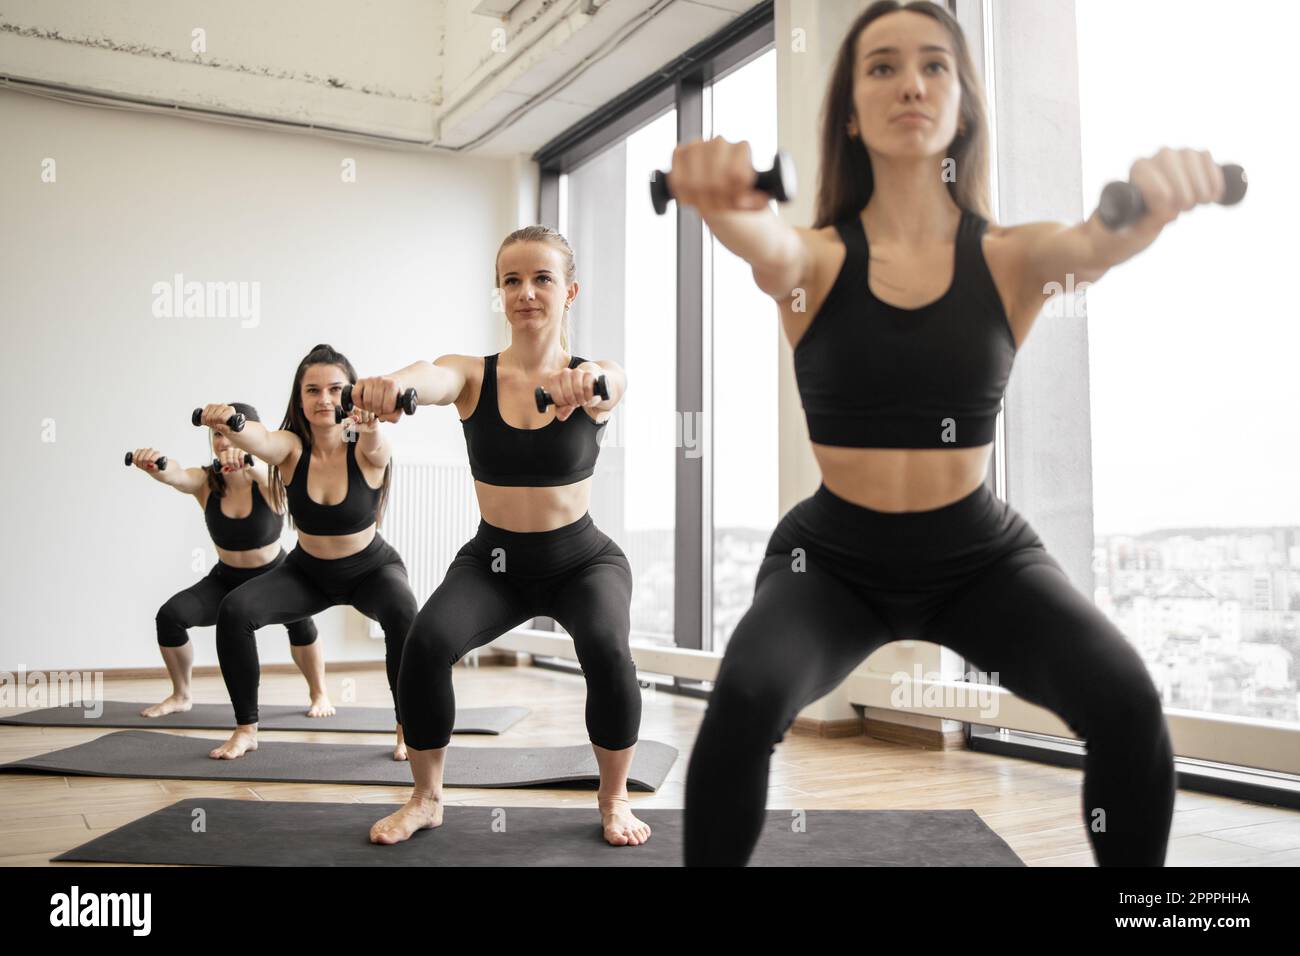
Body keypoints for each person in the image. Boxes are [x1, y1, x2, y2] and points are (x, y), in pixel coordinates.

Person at [674, 0, 1224, 866]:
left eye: (935, 65)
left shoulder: (1013, 257)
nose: (913, 85)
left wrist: (1149, 209)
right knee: (743, 700)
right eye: (883, 66)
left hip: (978, 557)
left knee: (1125, 701)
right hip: (833, 561)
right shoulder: (812, 261)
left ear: (964, 103)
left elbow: (1094, 243)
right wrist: (718, 201)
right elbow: (761, 241)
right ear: (850, 114)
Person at [356, 226, 650, 847]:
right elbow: (429, 375)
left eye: (542, 278)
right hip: (495, 562)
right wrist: (395, 386)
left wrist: (590, 382)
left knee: (605, 646)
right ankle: (426, 798)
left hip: (582, 561)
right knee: (427, 642)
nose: (526, 292)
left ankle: (615, 798)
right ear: (500, 293)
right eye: (512, 280)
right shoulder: (474, 375)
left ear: (569, 291)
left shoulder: (588, 376)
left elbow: (613, 381)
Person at [198, 345, 418, 760]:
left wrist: (370, 426)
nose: (324, 399)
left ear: (351, 393)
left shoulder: (364, 445)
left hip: (370, 569)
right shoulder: (290, 448)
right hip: (308, 571)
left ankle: (407, 729)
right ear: (300, 398)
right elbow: (258, 437)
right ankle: (246, 728)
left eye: (336, 389)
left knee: (404, 613)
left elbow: (378, 449)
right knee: (235, 610)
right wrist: (231, 421)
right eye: (312, 390)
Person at [128, 403, 324, 718]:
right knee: (170, 617)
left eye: (232, 433)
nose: (223, 441)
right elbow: (177, 474)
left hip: (275, 576)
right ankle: (181, 694)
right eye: (217, 434)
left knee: (301, 623)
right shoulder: (206, 482)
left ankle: (319, 694)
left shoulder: (270, 479)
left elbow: (267, 475)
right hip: (227, 579)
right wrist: (156, 465)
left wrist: (250, 462)